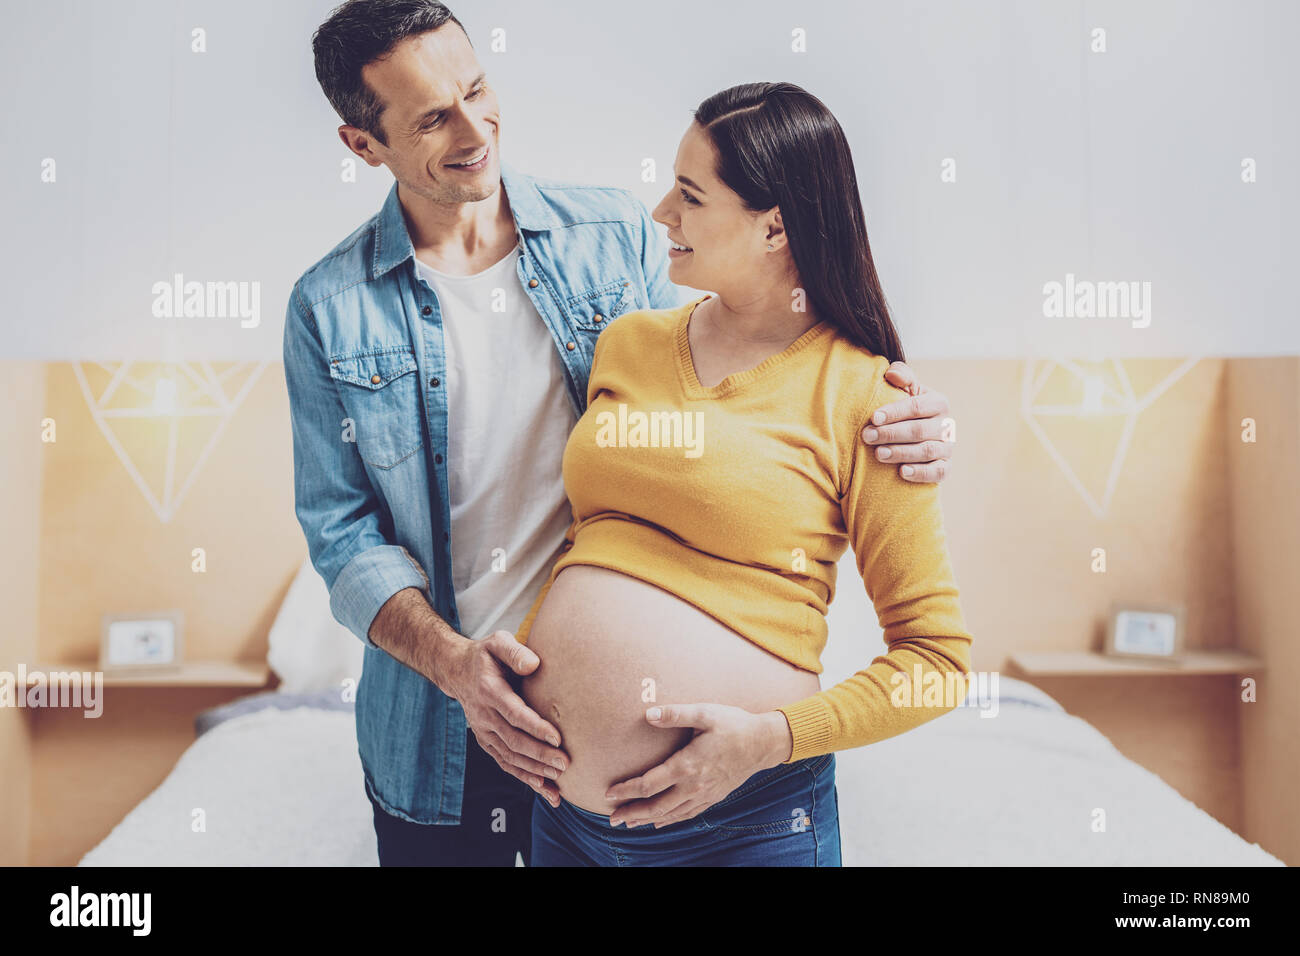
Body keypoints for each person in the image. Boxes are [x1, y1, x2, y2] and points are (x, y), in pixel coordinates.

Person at [286, 0, 957, 867]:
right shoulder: (328, 308)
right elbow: (340, 532)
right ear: (363, 145)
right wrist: (458, 668)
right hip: (439, 728)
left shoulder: (611, 243)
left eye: (478, 89)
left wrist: (915, 419)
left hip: (669, 785)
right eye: (430, 117)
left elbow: (738, 402)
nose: (474, 127)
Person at [516, 82, 974, 866]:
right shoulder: (626, 344)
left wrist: (769, 741)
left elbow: (937, 665)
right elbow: (592, 538)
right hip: (566, 822)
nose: (662, 212)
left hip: (748, 826)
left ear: (775, 227)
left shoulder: (866, 396)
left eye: (690, 196)